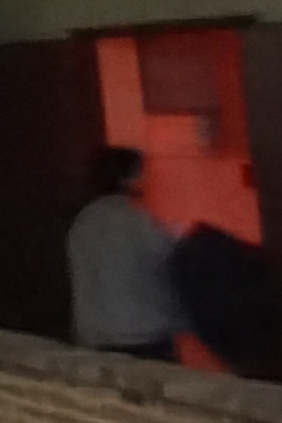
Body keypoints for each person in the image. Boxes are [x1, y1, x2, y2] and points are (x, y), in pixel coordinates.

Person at [65, 147, 190, 358]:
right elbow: (167, 262)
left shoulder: (83, 221)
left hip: (95, 335)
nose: (146, 178)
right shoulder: (136, 219)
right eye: (140, 172)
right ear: (127, 177)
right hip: (142, 334)